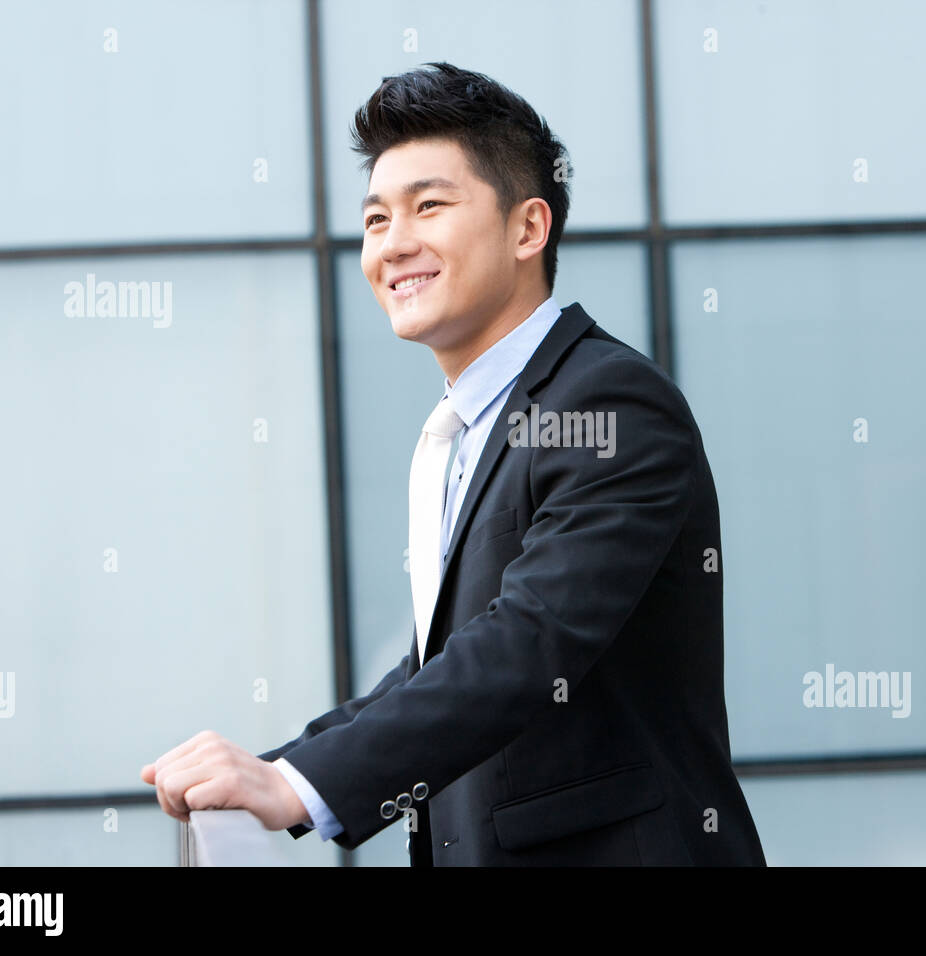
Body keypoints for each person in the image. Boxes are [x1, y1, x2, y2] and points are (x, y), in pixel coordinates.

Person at [142, 61, 765, 866]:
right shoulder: (466, 429)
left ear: (527, 229)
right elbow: (440, 666)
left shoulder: (607, 403)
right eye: (374, 221)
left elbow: (528, 643)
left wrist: (301, 784)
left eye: (429, 206)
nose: (393, 244)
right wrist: (277, 770)